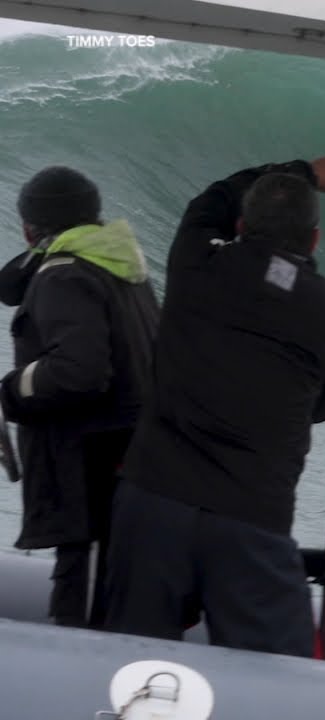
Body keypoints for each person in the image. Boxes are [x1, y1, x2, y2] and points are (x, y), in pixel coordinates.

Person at [103, 154, 325, 657]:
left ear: (242, 226)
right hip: (250, 519)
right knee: (277, 687)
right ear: (313, 241)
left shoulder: (196, 260)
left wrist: (308, 172)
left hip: (155, 500)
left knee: (131, 668)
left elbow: (212, 200)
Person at [0, 166, 160, 627]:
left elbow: (78, 372)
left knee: (84, 608)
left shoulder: (64, 275)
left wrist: (9, 393)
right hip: (132, 462)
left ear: (31, 227)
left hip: (88, 470)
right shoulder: (123, 266)